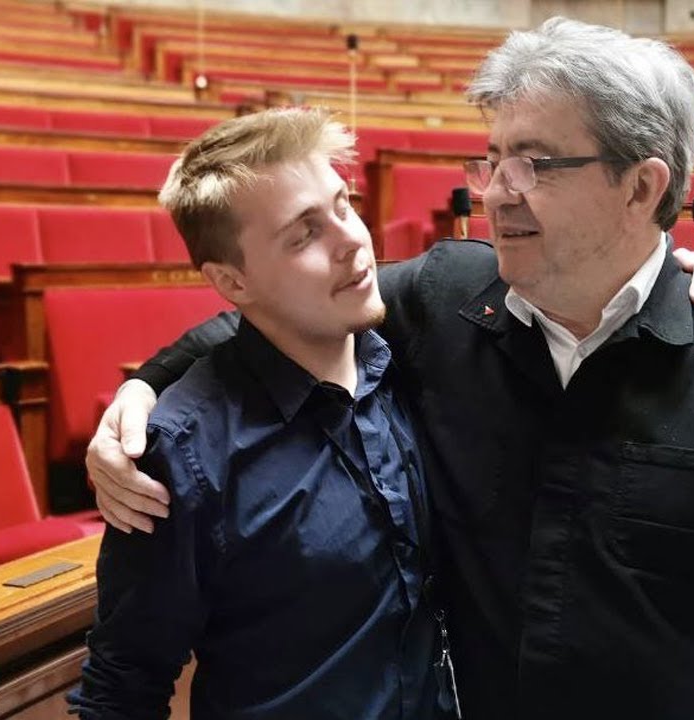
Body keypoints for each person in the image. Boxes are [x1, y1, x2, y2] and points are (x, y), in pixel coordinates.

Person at [90, 18, 694, 719]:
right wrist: (143, 387)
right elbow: (264, 318)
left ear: (641, 187)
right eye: (494, 157)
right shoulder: (447, 296)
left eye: (536, 164)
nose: (496, 192)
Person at [69, 108, 444, 718]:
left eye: (343, 204)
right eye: (304, 233)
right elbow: (122, 686)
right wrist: (142, 388)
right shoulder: (180, 454)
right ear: (232, 281)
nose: (351, 238)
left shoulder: (412, 358)